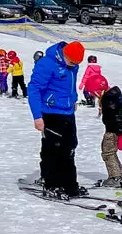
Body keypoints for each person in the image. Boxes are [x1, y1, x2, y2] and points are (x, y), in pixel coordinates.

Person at [28, 41, 85, 198]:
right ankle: (51, 184)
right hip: (50, 112)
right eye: (72, 62)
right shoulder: (47, 64)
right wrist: (37, 116)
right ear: (65, 54)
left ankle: (69, 184)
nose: (74, 65)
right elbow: (34, 89)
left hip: (67, 113)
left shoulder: (73, 65)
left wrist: (73, 99)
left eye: (77, 63)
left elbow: (70, 85)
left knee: (69, 149)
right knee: (53, 150)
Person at [97, 83, 122, 187]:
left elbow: (116, 116)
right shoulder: (115, 94)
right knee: (110, 152)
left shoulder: (108, 98)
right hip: (117, 128)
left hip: (113, 130)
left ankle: (115, 177)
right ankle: (119, 174)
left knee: (108, 152)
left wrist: (119, 129)